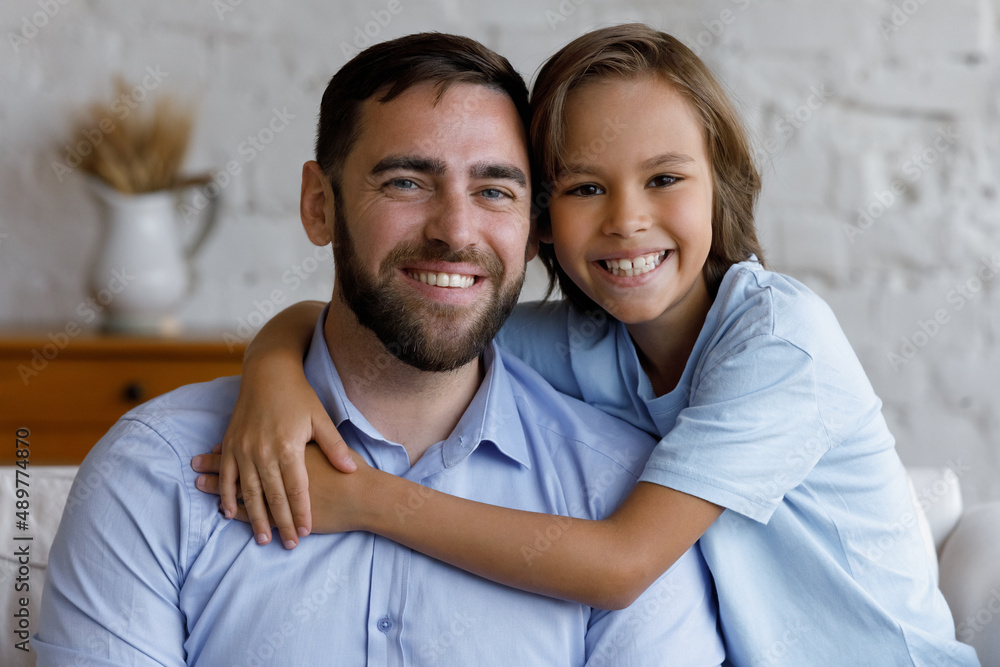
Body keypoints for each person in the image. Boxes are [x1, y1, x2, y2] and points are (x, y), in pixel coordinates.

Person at [196, 24, 980, 666]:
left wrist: (367, 500)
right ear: (537, 223)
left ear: (723, 187)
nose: (627, 220)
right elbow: (401, 327)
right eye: (585, 187)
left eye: (665, 179)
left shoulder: (780, 343)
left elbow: (621, 565)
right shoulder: (583, 343)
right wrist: (273, 372)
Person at [34, 32, 724, 666]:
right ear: (319, 205)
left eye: (494, 189)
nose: (455, 231)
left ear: (534, 226)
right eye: (406, 182)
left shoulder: (620, 490)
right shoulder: (154, 472)